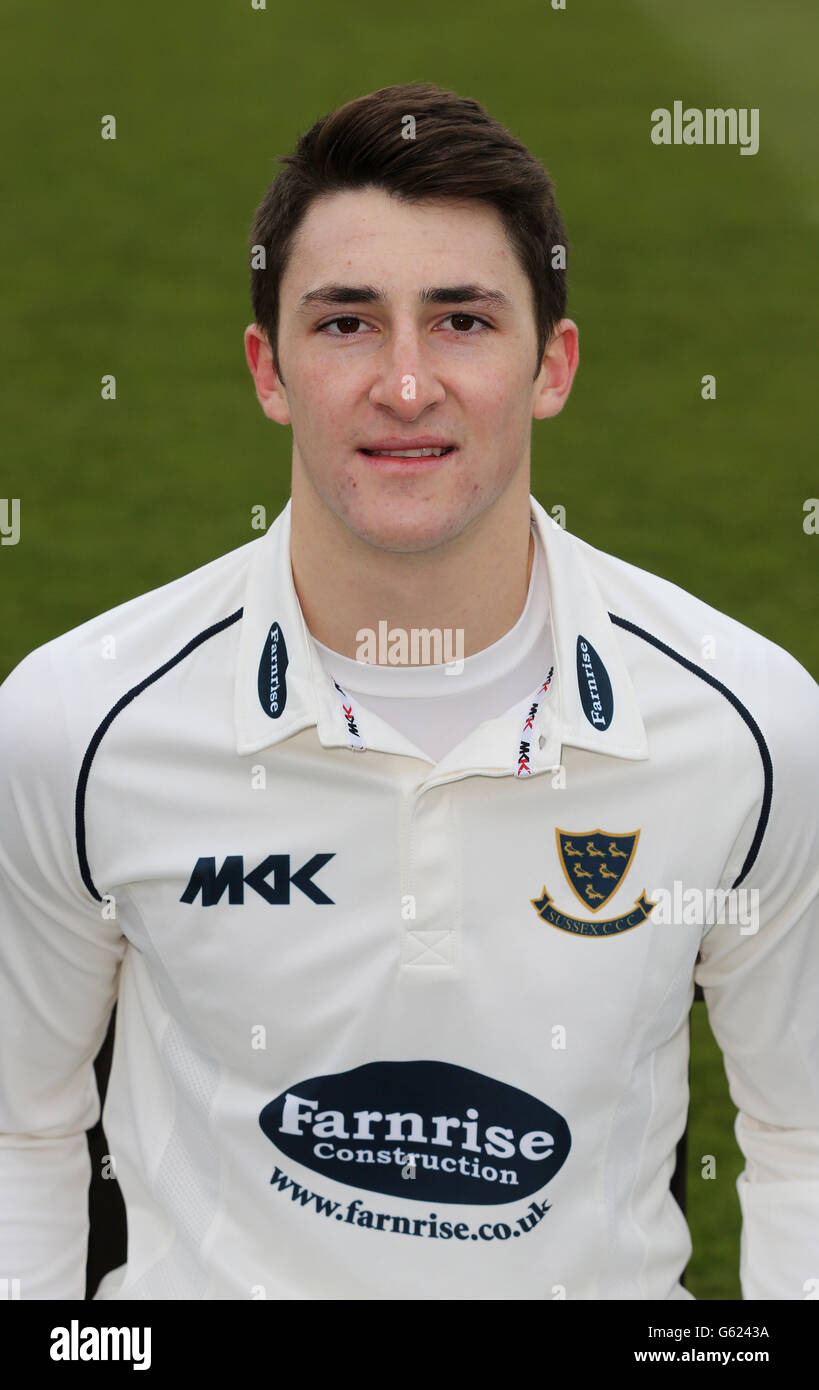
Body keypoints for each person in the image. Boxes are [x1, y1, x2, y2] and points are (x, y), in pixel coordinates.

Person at [0, 82, 816, 1302]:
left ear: (553, 364)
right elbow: (20, 1130)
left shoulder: (751, 726)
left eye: (462, 322)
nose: (405, 384)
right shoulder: (77, 723)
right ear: (268, 370)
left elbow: (801, 1140)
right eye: (346, 324)